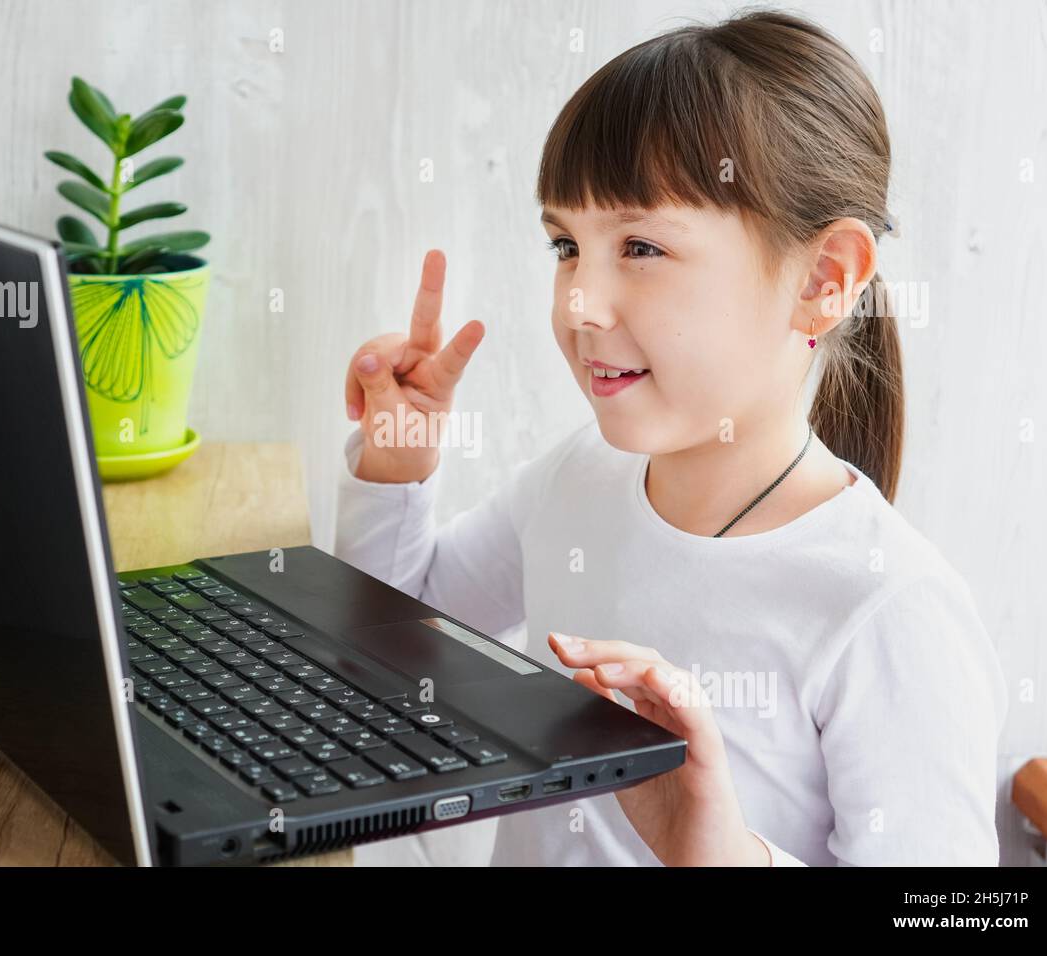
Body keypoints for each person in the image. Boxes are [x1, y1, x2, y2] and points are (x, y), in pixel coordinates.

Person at [336, 8, 1006, 866]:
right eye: (566, 245)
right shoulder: (578, 478)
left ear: (824, 280)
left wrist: (725, 854)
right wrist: (398, 453)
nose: (579, 304)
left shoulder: (890, 608)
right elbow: (387, 656)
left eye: (642, 246)